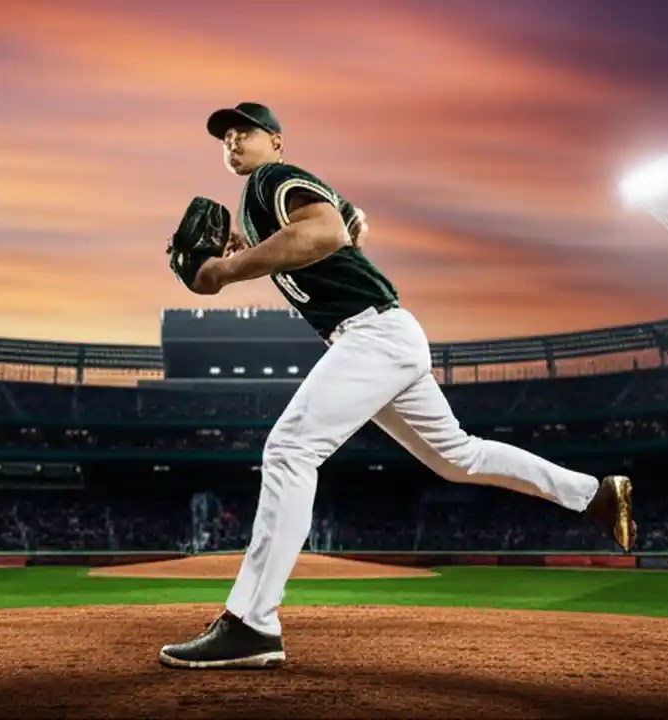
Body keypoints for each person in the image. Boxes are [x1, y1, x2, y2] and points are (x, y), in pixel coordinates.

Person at [159, 102, 636, 670]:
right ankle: (596, 494)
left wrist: (224, 270)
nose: (233, 142)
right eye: (225, 138)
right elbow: (339, 226)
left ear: (277, 142)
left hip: (372, 336)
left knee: (290, 450)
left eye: (245, 132)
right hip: (386, 336)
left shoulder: (272, 178)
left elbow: (326, 231)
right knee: (458, 457)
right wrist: (247, 241)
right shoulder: (266, 203)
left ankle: (253, 623)